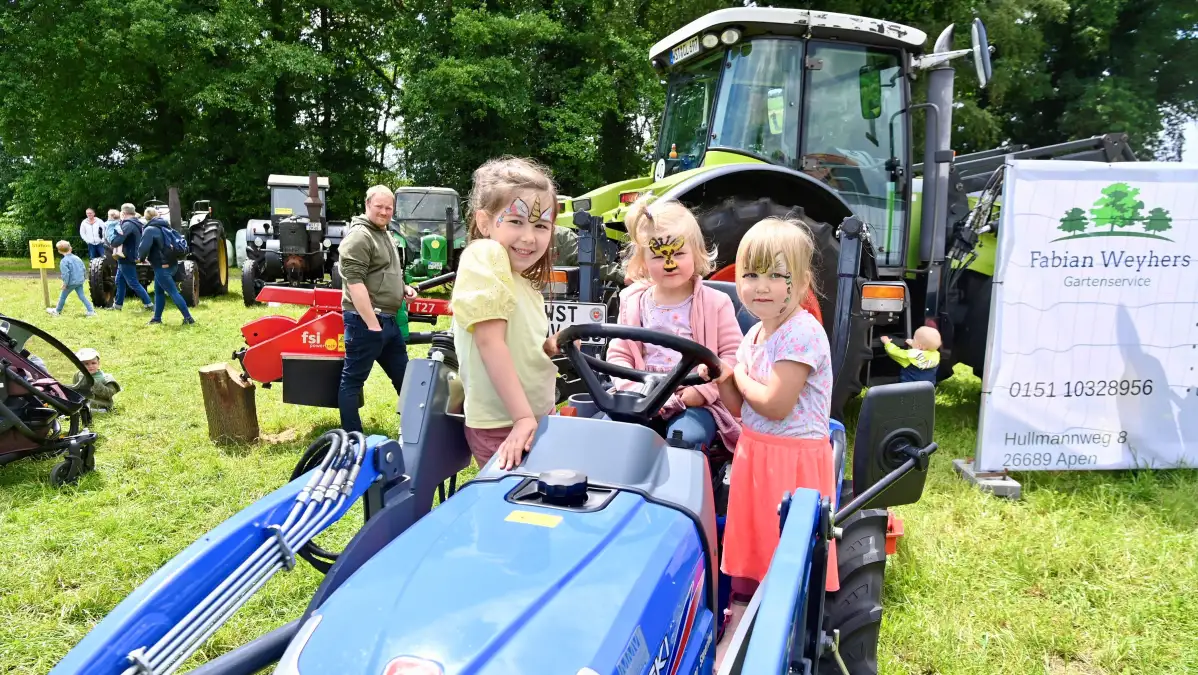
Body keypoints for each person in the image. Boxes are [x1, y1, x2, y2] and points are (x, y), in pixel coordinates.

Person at [700, 217, 837, 658]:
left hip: (793, 463)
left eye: (776, 275)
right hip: (756, 454)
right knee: (750, 544)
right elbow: (741, 408)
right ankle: (740, 620)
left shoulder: (802, 332)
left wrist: (736, 371)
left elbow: (775, 404)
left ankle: (784, 631)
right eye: (750, 274)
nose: (761, 286)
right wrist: (723, 378)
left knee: (785, 551)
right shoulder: (756, 333)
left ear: (800, 282)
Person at [451, 156, 563, 470]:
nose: (530, 236)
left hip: (534, 419)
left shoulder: (524, 282)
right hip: (506, 424)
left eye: (541, 225)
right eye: (516, 221)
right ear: (485, 222)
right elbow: (490, 343)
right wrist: (523, 417)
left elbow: (517, 342)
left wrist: (550, 347)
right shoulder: (485, 255)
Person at [606, 196, 743, 453]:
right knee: (607, 433)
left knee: (685, 438)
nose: (670, 263)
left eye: (679, 253)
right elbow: (619, 354)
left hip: (694, 399)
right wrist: (634, 390)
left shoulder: (716, 303)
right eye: (658, 256)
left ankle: (683, 490)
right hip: (644, 393)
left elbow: (733, 357)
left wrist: (704, 393)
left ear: (696, 253)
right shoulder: (633, 302)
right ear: (642, 261)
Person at [337, 184, 419, 434]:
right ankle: (353, 439)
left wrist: (402, 287)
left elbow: (382, 272)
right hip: (366, 322)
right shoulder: (360, 236)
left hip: (389, 321)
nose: (384, 212)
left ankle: (415, 432)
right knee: (352, 382)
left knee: (406, 381)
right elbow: (355, 283)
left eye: (389, 207)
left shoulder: (384, 233)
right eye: (379, 206)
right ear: (367, 205)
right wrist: (372, 324)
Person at [138, 207, 195, 325]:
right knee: (158, 291)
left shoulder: (150, 229)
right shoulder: (166, 226)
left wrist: (141, 259)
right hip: (172, 264)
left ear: (146, 217)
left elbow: (143, 249)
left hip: (162, 266)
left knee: (173, 292)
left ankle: (188, 318)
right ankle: (156, 318)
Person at [108, 203, 154, 311]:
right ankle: (117, 305)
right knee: (119, 281)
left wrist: (112, 240)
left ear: (123, 213)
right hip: (128, 255)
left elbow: (117, 240)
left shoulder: (128, 224)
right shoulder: (137, 222)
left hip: (127, 256)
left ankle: (149, 305)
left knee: (133, 282)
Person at [46, 240, 96, 317]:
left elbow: (66, 274)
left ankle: (57, 311)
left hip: (70, 283)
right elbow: (83, 269)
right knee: (82, 296)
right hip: (79, 281)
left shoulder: (64, 261)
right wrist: (83, 278)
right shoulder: (77, 258)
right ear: (70, 248)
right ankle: (91, 311)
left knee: (62, 297)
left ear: (59, 251)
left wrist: (65, 284)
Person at [70, 347, 121, 413]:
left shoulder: (106, 377)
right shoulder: (78, 374)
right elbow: (75, 389)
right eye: (86, 364)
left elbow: (109, 394)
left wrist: (93, 383)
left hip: (101, 408)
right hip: (82, 405)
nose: (90, 366)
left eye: (93, 363)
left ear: (98, 363)